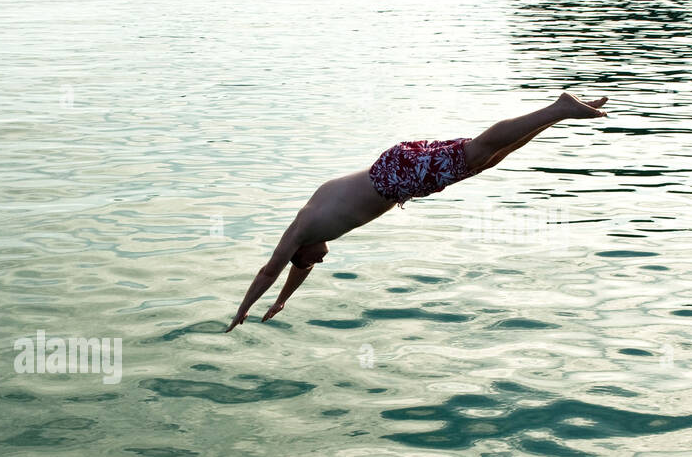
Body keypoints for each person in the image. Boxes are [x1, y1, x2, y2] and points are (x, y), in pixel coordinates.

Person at [224, 93, 609, 332]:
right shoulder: (309, 230)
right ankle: (558, 115)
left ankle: (558, 107)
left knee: (475, 152)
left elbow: (270, 270)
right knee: (483, 162)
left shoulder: (302, 231)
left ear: (301, 250)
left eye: (311, 261)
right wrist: (283, 301)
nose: (319, 261)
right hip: (395, 169)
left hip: (395, 179)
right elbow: (295, 271)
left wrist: (243, 310)